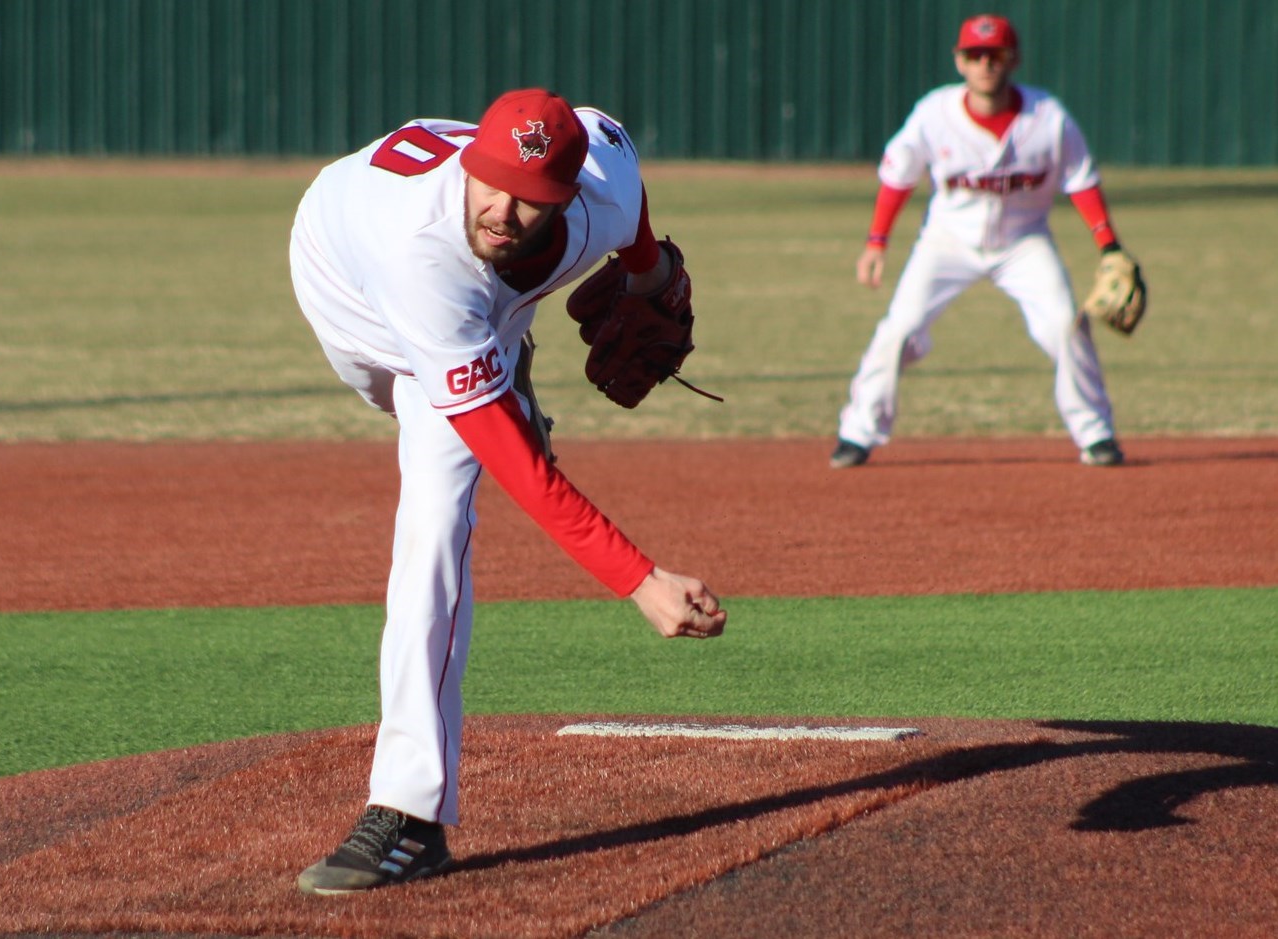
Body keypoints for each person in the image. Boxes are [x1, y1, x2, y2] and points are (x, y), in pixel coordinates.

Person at [287, 88, 727, 895]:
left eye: (531, 196)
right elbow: (520, 468)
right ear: (470, 161)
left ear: (569, 192)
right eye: (489, 180)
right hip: (352, 284)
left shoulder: (602, 181)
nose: (503, 207)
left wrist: (648, 273)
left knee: (434, 518)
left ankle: (407, 814)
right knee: (482, 421)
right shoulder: (418, 252)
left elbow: (626, 204)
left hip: (471, 305)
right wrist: (638, 577)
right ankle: (492, 374)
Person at [830, 13, 1136, 469]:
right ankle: (858, 432)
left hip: (1023, 242)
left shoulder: (1047, 117)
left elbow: (1082, 182)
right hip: (947, 242)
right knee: (898, 330)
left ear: (1014, 59)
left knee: (1066, 326)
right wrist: (877, 243)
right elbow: (898, 177)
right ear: (959, 61)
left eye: (995, 55)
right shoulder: (934, 114)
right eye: (974, 55)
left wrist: (1109, 247)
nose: (985, 64)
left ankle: (1096, 434)